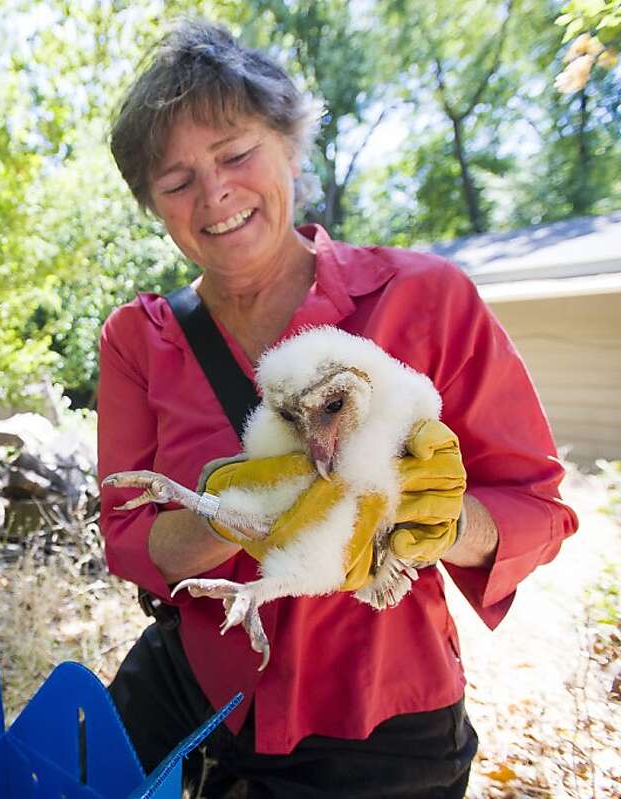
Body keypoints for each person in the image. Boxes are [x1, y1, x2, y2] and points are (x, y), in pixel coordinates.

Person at [97, 20, 579, 798]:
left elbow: (537, 508)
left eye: (235, 153)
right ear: (154, 204)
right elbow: (127, 539)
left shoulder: (426, 300)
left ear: (290, 146)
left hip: (381, 715)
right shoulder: (137, 339)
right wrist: (236, 510)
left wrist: (441, 521)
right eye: (177, 179)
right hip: (203, 693)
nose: (214, 192)